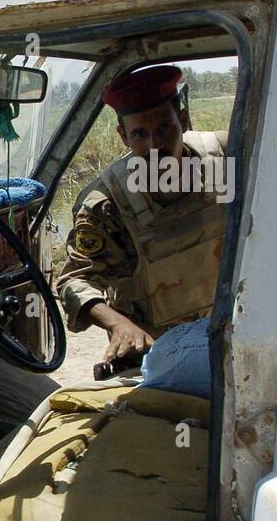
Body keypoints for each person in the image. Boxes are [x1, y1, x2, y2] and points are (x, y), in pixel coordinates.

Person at [54, 64, 230, 365]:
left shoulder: (225, 157)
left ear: (184, 120)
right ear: (123, 136)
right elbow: (74, 281)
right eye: (140, 134)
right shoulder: (107, 201)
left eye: (164, 129)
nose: (154, 146)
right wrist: (118, 325)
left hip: (234, 334)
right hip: (158, 354)